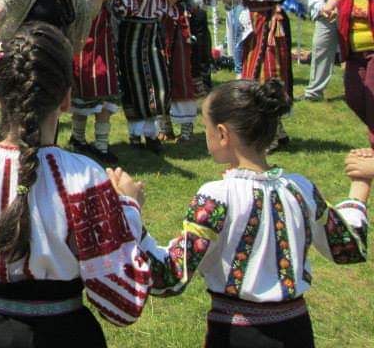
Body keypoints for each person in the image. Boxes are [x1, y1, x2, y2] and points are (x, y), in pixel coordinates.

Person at [0, 23, 151, 347]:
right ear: (65, 100)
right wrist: (129, 208)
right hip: (67, 335)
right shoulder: (85, 177)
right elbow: (123, 303)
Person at [121, 79, 369, 348]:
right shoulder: (300, 189)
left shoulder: (217, 197)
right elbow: (347, 246)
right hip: (298, 333)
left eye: (205, 127)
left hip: (237, 337)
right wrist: (362, 184)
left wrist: (129, 209)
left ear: (222, 133)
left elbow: (169, 276)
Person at [215, 0, 323, 150]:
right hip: (250, 26)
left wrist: (320, 7)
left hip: (274, 25)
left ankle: (271, 133)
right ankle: (277, 132)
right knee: (250, 78)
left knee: (271, 77)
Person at [68, 0, 124, 165]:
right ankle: (78, 138)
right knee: (87, 82)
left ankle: (101, 143)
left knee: (105, 83)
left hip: (104, 27)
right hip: (86, 28)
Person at [155, 0, 217, 142]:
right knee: (159, 72)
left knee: (182, 70)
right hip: (157, 21)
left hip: (180, 21)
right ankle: (164, 123)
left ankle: (187, 128)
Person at [113, 0, 174, 152]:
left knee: (158, 82)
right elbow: (120, 8)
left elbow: (162, 7)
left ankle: (151, 133)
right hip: (133, 34)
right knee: (136, 82)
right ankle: (136, 135)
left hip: (152, 34)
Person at [321, 0, 374, 148]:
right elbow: (331, 3)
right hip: (352, 51)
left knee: (372, 93)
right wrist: (328, 9)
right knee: (352, 96)